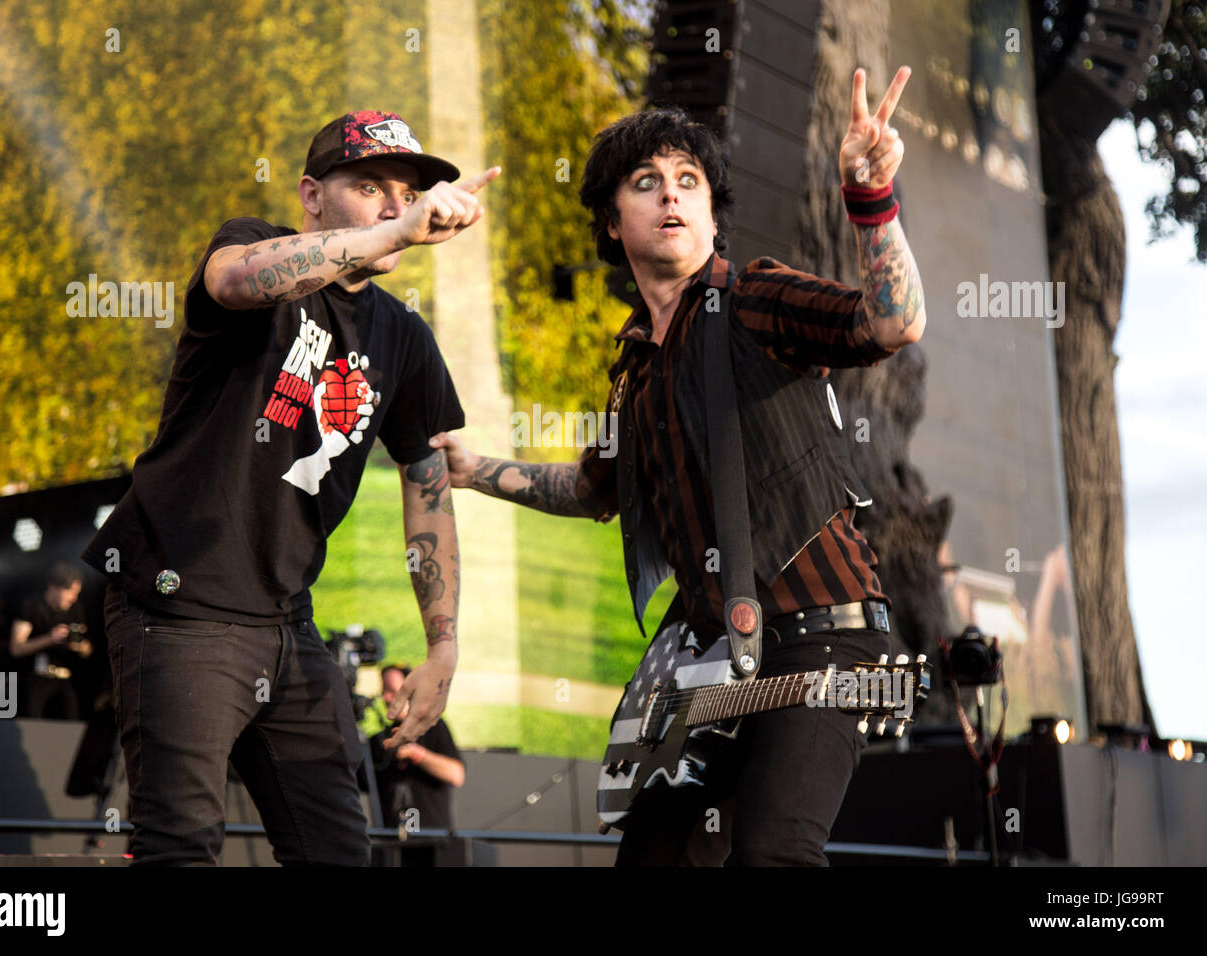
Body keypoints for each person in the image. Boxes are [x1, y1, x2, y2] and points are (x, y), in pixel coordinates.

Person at [431, 68, 925, 865]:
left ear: (708, 211)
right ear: (611, 221)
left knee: (775, 854)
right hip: (714, 662)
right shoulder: (634, 369)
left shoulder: (757, 296)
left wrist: (871, 198)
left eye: (689, 181)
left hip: (823, 646)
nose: (672, 196)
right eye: (647, 182)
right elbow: (593, 491)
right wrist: (473, 467)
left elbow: (893, 321)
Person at [81, 109, 498, 865]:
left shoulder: (404, 339)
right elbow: (235, 280)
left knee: (337, 850)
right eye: (370, 187)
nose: (393, 205)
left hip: (286, 623)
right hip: (180, 604)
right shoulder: (252, 249)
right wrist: (393, 235)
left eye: (405, 193)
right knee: (179, 845)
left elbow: (427, 486)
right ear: (310, 195)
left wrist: (443, 648)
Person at [366, 663, 465, 865]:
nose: (386, 698)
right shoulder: (377, 741)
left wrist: (417, 754)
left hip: (431, 844)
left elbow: (456, 774)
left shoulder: (434, 727)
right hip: (392, 846)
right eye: (384, 691)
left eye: (393, 691)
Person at [10, 562, 92, 720]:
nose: (73, 598)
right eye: (70, 592)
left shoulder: (76, 609)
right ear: (54, 587)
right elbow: (16, 648)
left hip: (65, 678)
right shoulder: (32, 606)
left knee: (71, 728)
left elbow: (88, 649)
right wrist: (50, 639)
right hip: (37, 677)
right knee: (34, 728)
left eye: (77, 594)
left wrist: (78, 646)